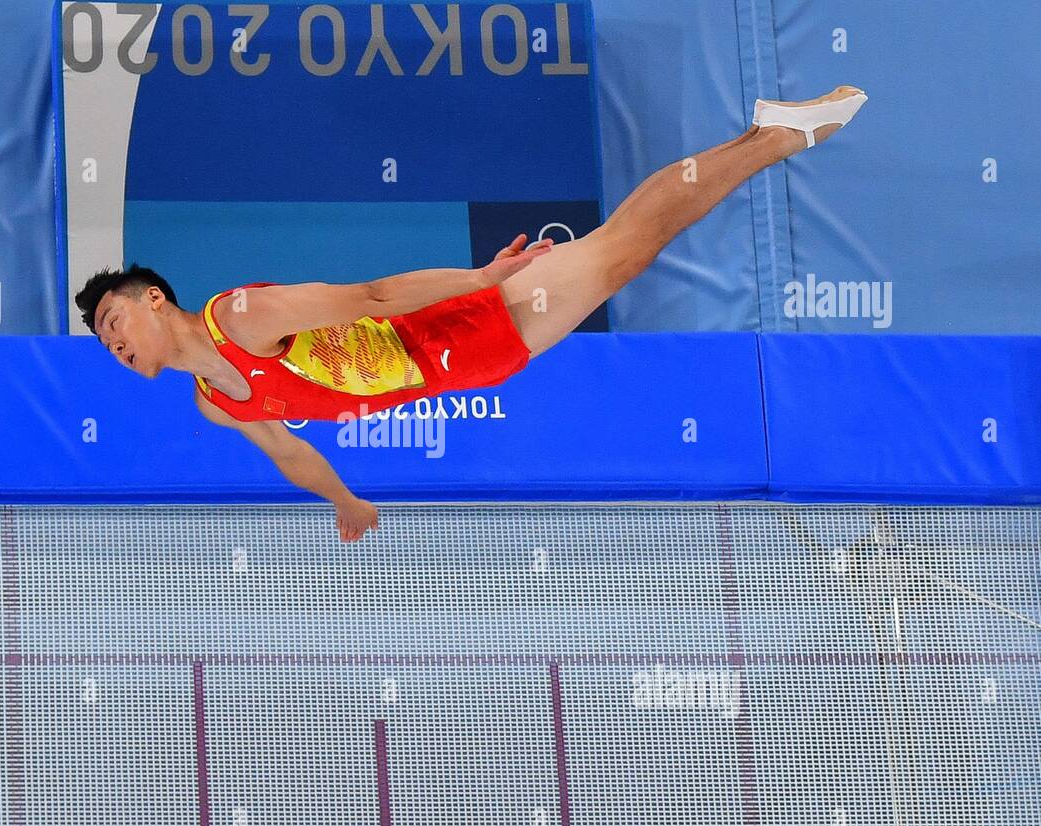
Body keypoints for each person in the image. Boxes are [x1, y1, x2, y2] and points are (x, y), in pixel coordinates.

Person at [75, 87, 867, 542]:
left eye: (114, 320)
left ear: (153, 297)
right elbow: (286, 453)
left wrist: (477, 278)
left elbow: (371, 297)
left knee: (622, 251)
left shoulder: (239, 317)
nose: (115, 343)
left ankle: (776, 133)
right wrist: (345, 503)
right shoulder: (215, 403)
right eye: (107, 347)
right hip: (460, 366)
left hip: (449, 327)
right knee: (623, 251)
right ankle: (769, 132)